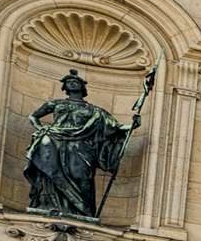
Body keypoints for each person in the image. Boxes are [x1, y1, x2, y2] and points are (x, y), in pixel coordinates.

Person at [23, 68, 147, 220]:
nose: (72, 83)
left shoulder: (94, 110)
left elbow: (115, 127)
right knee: (50, 169)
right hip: (55, 138)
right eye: (69, 82)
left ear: (83, 87)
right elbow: (33, 116)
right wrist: (41, 129)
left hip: (81, 146)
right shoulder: (54, 104)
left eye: (75, 82)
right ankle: (50, 205)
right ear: (64, 87)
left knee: (81, 175)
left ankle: (82, 211)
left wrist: (132, 126)